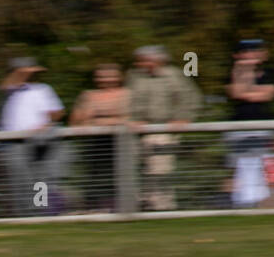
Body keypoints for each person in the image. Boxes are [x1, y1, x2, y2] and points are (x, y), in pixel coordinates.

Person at [125, 46, 201, 210]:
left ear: (158, 60)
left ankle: (161, 207)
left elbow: (190, 98)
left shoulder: (174, 75)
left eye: (145, 60)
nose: (141, 64)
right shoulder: (134, 76)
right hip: (137, 132)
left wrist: (182, 118)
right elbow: (127, 100)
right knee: (134, 169)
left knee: (159, 169)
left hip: (163, 130)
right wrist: (132, 119)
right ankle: (141, 205)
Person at [0, 57, 64, 217]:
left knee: (40, 178)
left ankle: (41, 213)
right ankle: (24, 215)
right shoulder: (9, 91)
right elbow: (5, 86)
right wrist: (21, 72)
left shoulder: (43, 89)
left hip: (40, 141)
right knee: (20, 180)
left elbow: (57, 113)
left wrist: (46, 125)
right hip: (14, 142)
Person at [224, 39, 274, 208]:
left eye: (256, 50)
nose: (253, 54)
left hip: (265, 127)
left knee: (267, 168)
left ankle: (268, 205)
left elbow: (267, 95)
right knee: (237, 168)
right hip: (238, 128)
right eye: (247, 51)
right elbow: (237, 92)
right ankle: (236, 207)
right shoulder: (232, 73)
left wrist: (248, 92)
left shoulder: (269, 73)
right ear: (238, 55)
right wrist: (244, 71)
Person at [69, 63, 130, 211]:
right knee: (95, 177)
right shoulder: (88, 95)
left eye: (110, 76)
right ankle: (95, 209)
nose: (106, 80)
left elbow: (130, 118)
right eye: (102, 76)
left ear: (119, 77)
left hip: (121, 145)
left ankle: (121, 209)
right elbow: (76, 121)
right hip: (95, 145)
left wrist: (99, 120)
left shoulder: (127, 94)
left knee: (120, 175)